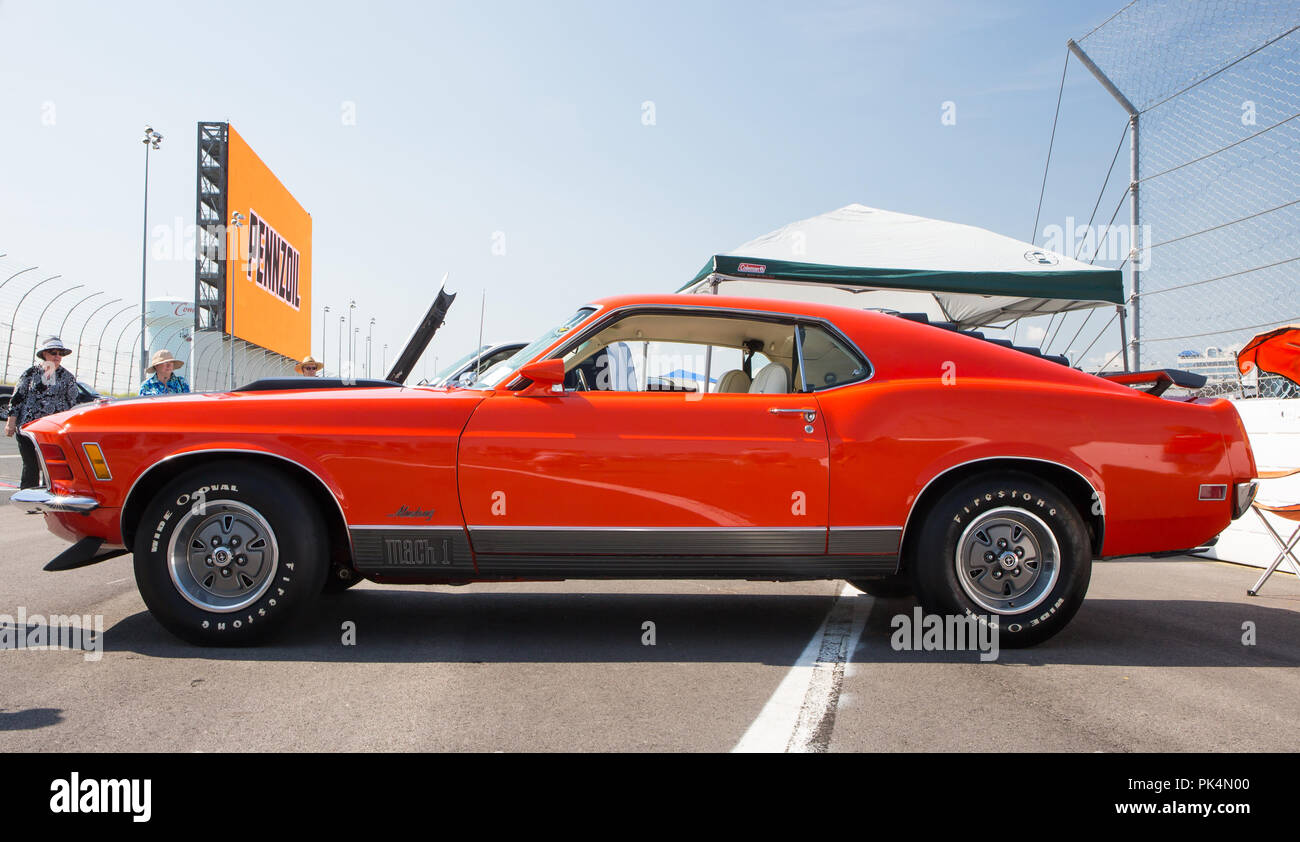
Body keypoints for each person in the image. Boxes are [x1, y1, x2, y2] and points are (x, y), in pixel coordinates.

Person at [4, 337, 80, 489]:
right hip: (28, 428)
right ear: (44, 354)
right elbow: (17, 398)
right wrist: (10, 424)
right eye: (53, 353)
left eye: (60, 353)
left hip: (52, 430)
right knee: (30, 465)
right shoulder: (30, 373)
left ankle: (49, 499)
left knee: (50, 466)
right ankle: (28, 497)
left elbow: (72, 404)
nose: (57, 356)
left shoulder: (68, 377)